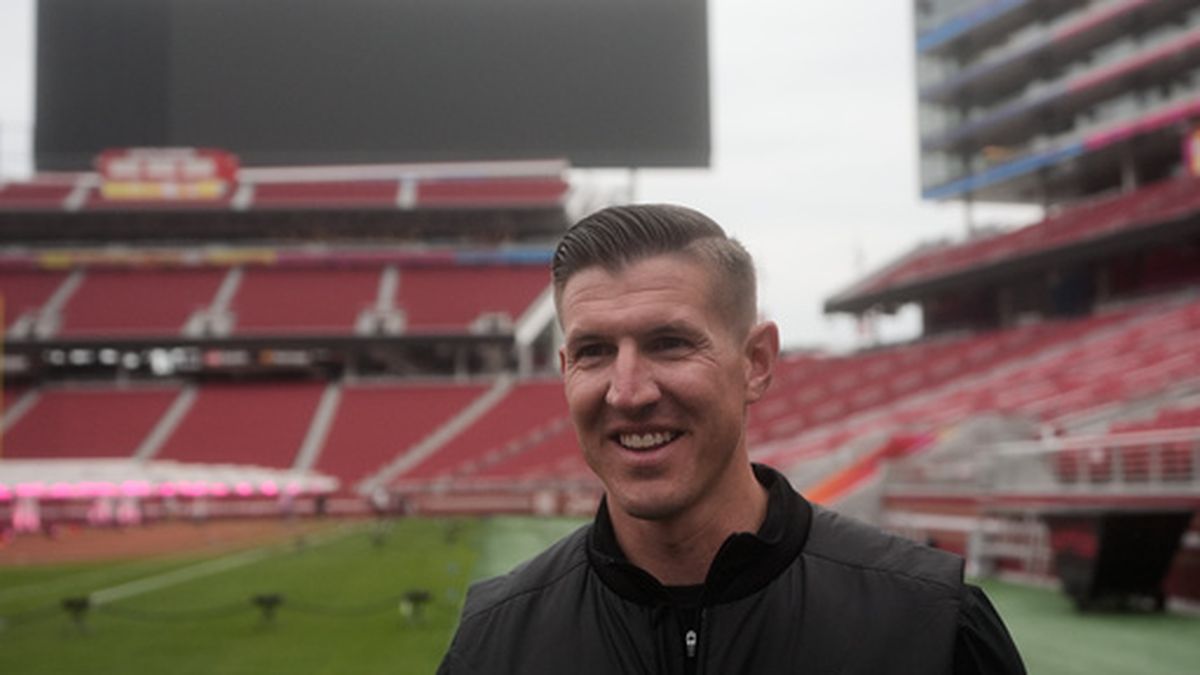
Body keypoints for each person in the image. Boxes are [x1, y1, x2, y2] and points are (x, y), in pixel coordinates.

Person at [438, 204, 1025, 674]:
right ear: (565, 368)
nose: (628, 391)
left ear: (756, 362)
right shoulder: (494, 641)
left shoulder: (928, 625)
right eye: (594, 352)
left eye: (669, 343)